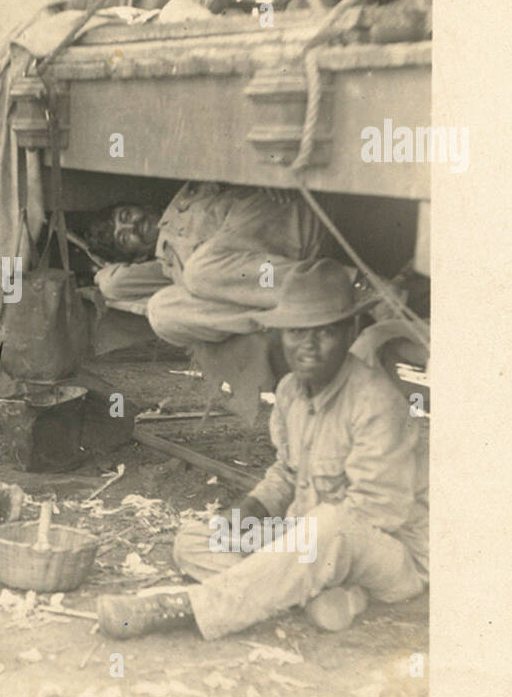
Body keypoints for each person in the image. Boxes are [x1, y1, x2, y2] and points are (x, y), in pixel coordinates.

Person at [97, 259, 428, 640]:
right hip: (311, 546)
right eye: (296, 333)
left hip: (392, 559)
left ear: (350, 330)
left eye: (324, 332)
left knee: (328, 527)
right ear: (282, 336)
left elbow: (374, 515)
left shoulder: (376, 402)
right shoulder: (289, 392)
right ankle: (313, 597)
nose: (309, 346)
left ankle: (188, 607)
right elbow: (287, 474)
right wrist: (253, 510)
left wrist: (287, 540)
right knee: (195, 538)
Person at [87, 181, 325, 344]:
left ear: (141, 205)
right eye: (124, 237)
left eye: (126, 216)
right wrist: (101, 270)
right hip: (271, 273)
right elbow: (114, 285)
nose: (133, 227)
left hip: (287, 221)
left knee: (197, 273)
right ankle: (296, 309)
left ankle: (329, 287)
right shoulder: (167, 267)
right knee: (161, 312)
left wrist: (264, 174)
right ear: (138, 257)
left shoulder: (188, 192)